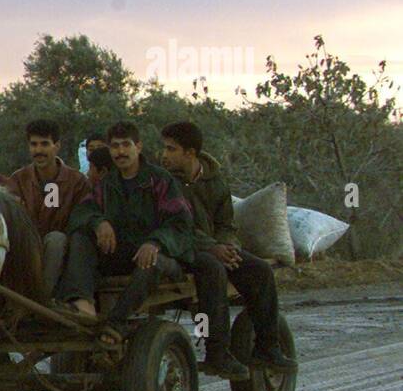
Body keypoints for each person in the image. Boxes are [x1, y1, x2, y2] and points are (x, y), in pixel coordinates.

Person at [160, 121, 296, 374]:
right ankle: (217, 352)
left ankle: (268, 348)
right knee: (213, 271)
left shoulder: (215, 181)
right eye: (164, 148)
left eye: (171, 149)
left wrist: (227, 247)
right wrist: (213, 248)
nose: (164, 155)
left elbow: (226, 223)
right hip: (180, 247)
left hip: (215, 248)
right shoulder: (164, 183)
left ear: (190, 153)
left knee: (260, 271)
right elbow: (177, 225)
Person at [57, 121, 195, 342]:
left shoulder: (160, 180)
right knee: (80, 236)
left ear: (138, 146)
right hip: (122, 253)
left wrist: (155, 242)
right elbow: (81, 213)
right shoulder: (107, 184)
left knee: (151, 261)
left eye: (125, 145)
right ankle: (82, 303)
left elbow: (181, 223)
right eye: (114, 146)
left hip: (163, 256)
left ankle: (116, 323)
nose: (120, 152)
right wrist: (99, 222)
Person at [5, 119, 90, 295]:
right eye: (34, 144)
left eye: (44, 144)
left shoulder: (77, 181)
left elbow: (83, 218)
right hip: (26, 249)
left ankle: (41, 300)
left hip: (63, 251)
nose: (38, 150)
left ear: (56, 146)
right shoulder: (18, 180)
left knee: (56, 240)